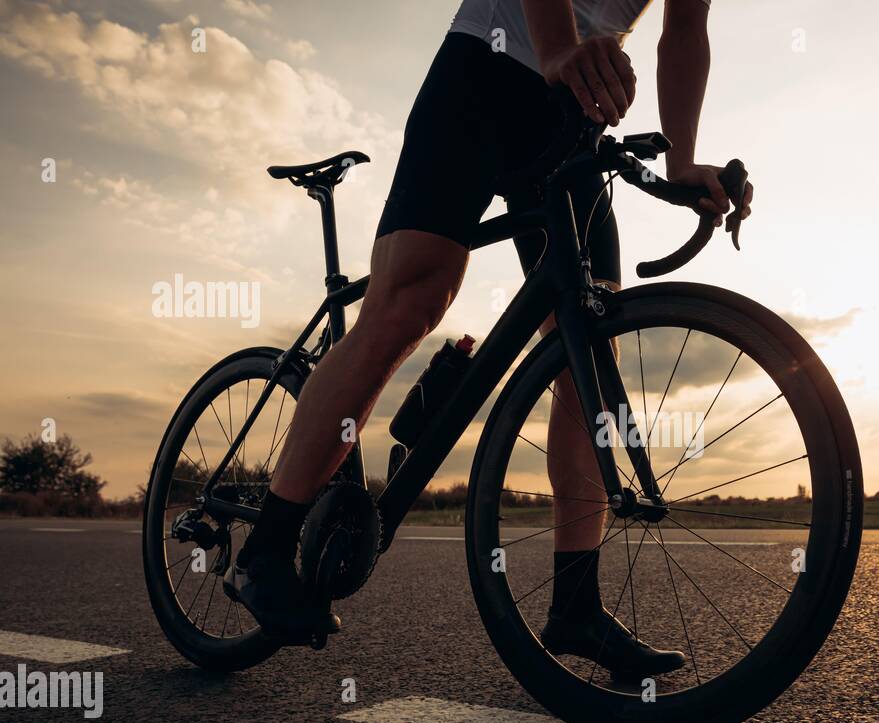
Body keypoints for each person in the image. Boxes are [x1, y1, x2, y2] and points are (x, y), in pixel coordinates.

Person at [226, 0, 752, 679]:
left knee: (587, 346)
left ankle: (577, 608)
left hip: (573, 114)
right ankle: (263, 552)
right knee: (411, 301)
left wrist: (682, 162)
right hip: (485, 71)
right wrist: (559, 47)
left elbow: (684, 29)